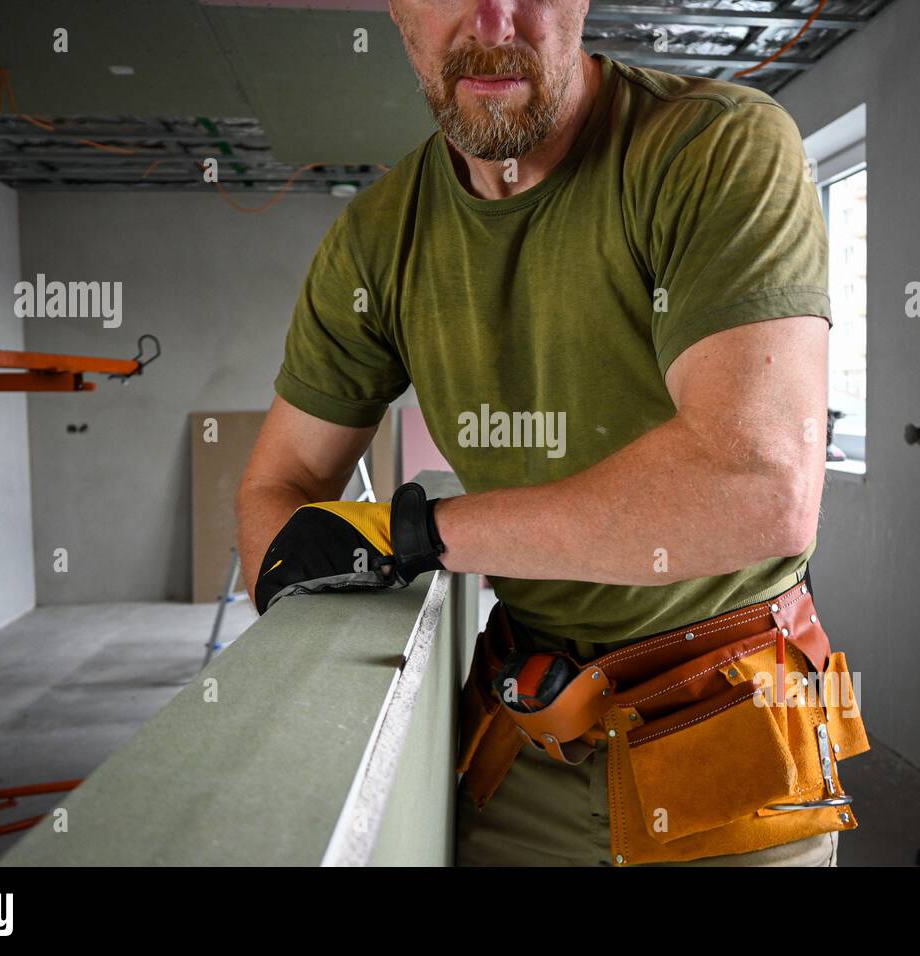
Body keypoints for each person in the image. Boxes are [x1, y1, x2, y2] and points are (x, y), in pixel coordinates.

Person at [237, 0, 843, 867]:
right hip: (525, 737)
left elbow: (757, 489)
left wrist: (419, 537)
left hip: (727, 734)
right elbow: (278, 484)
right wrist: (299, 629)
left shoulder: (714, 147)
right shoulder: (378, 240)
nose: (494, 20)